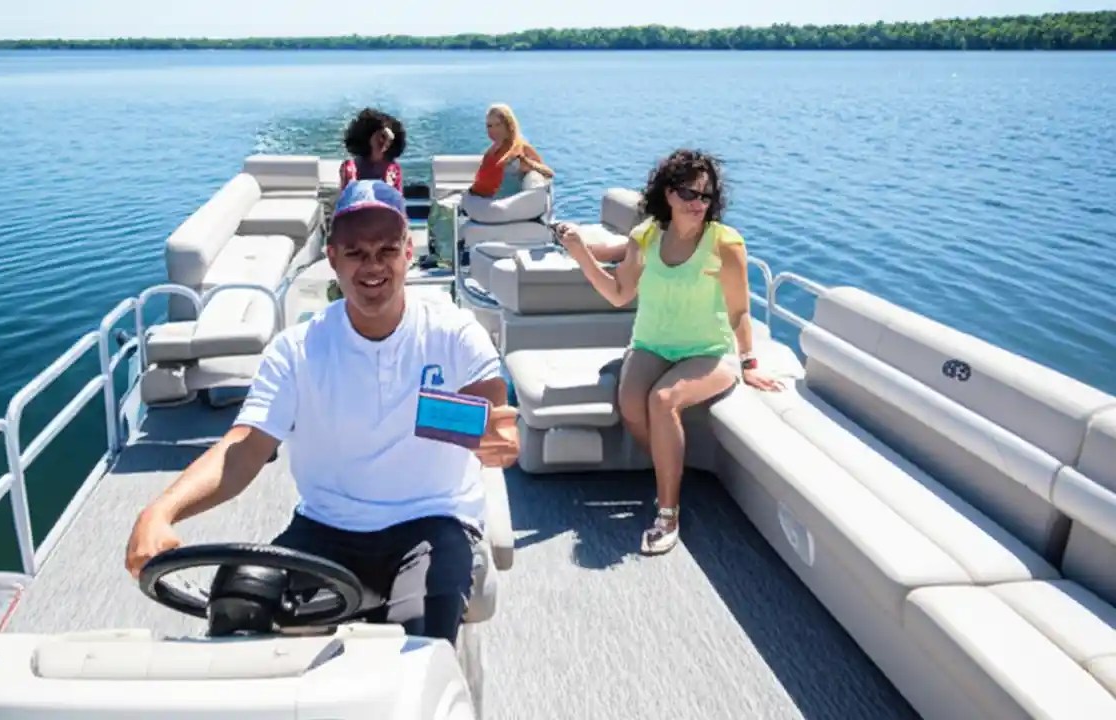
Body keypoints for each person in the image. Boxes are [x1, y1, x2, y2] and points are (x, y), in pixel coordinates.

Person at [124, 179, 520, 644]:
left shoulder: (454, 332)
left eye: (386, 249)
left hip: (431, 524)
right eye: (355, 252)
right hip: (325, 528)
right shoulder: (296, 350)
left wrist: (495, 437)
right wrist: (160, 511)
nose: (372, 265)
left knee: (421, 649)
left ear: (408, 253)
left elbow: (494, 416)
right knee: (237, 601)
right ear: (332, 259)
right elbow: (242, 452)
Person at [555, 149, 783, 556]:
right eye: (689, 193)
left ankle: (668, 511)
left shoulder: (725, 244)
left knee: (663, 400)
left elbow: (739, 310)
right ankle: (669, 468)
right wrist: (582, 256)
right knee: (629, 403)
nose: (698, 203)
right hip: (651, 343)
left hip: (707, 351)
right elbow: (619, 294)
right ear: (668, 194)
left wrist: (748, 363)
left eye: (706, 196)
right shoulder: (646, 235)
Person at [467, 103, 553, 199]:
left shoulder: (521, 147)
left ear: (509, 125)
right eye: (489, 126)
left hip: (493, 205)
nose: (493, 130)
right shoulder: (492, 150)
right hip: (476, 200)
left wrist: (529, 164)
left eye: (498, 125)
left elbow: (548, 173)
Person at [339, 108, 406, 191]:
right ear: (367, 137)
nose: (383, 141)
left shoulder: (393, 169)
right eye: (381, 136)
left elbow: (397, 200)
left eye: (388, 138)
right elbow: (346, 197)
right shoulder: (350, 167)